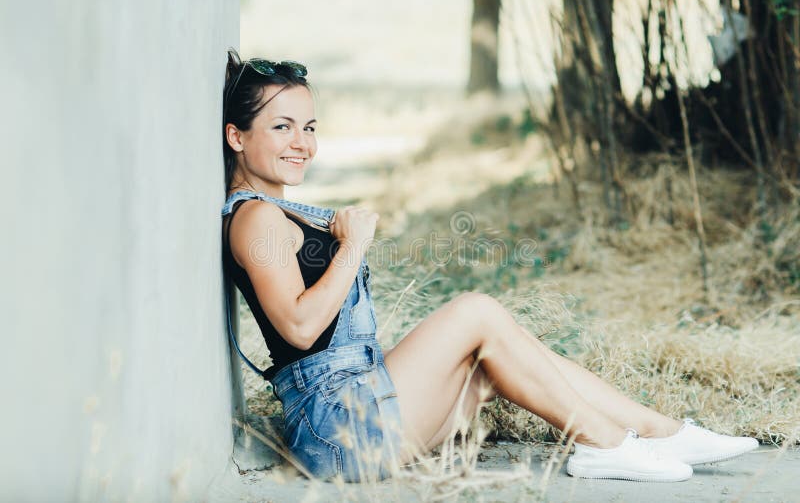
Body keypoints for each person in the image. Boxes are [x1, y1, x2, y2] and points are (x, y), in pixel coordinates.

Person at [220, 48, 758, 483]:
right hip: (339, 431)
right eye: (283, 127)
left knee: (499, 355)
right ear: (237, 136)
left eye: (309, 127)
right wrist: (353, 245)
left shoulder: (278, 210)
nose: (302, 143)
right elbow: (298, 324)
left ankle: (656, 431)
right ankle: (610, 444)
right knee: (475, 310)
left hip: (357, 415)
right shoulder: (256, 219)